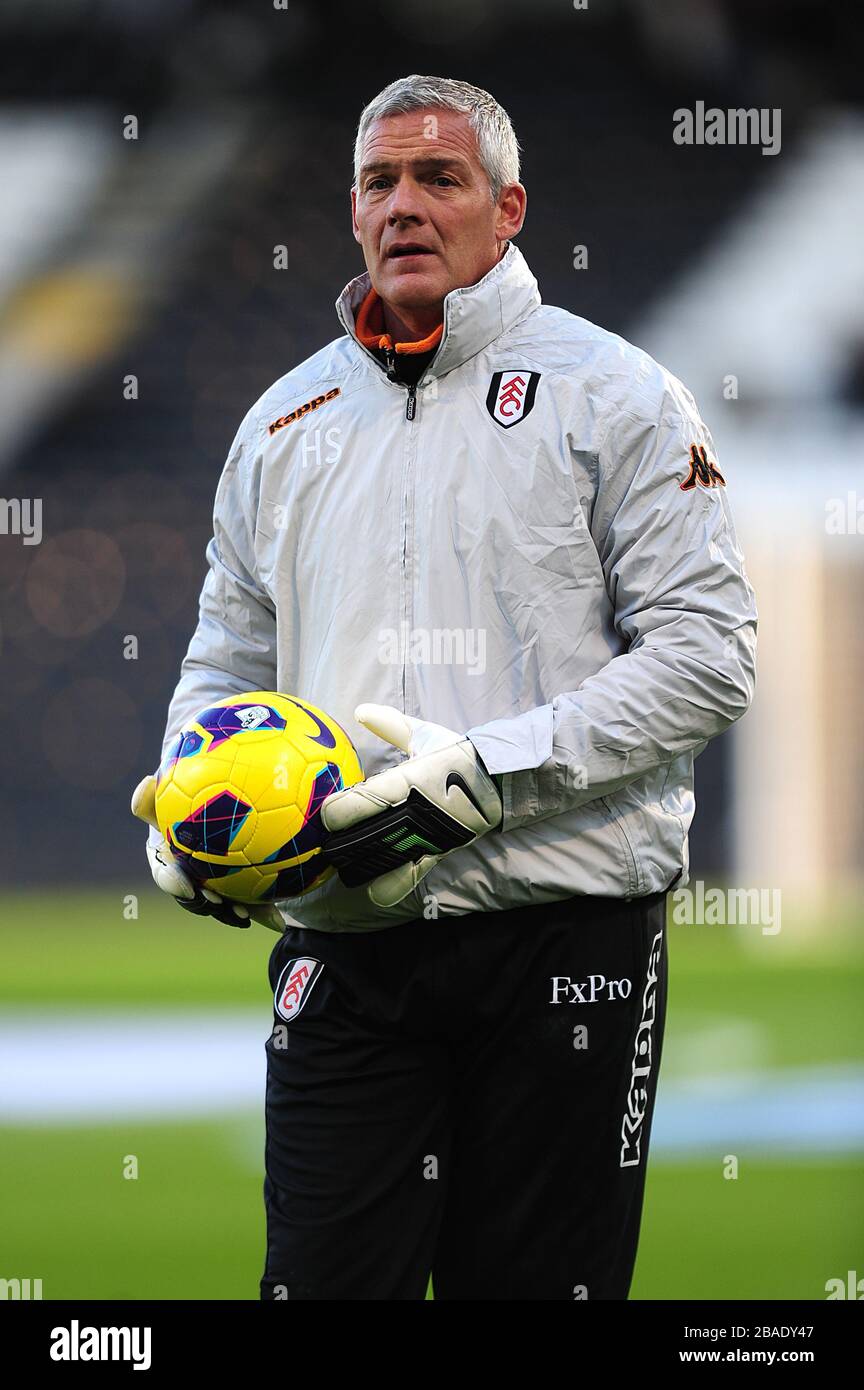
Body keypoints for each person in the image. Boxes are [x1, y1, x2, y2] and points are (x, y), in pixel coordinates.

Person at [132, 74, 757, 1300]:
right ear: (353, 212)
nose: (403, 204)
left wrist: (490, 778)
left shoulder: (619, 393)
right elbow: (226, 657)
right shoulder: (279, 423)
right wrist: (189, 803)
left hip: (564, 941)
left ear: (508, 208)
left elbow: (708, 657)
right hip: (344, 941)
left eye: (439, 178)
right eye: (379, 181)